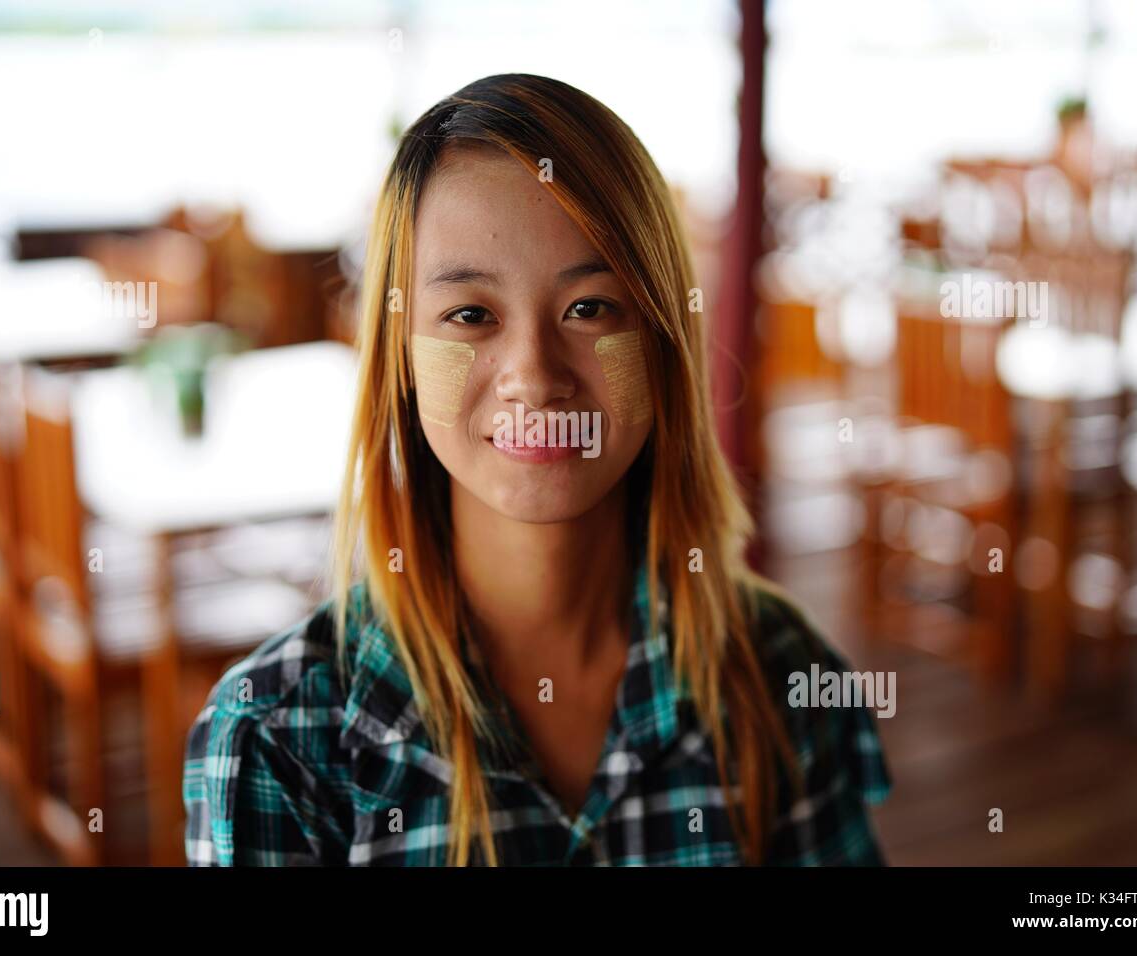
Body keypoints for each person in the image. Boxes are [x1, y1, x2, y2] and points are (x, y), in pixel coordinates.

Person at [183, 73, 890, 866]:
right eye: (471, 315)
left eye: (591, 307)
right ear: (402, 359)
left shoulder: (779, 674)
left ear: (661, 343)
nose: (534, 374)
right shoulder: (280, 736)